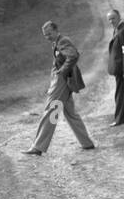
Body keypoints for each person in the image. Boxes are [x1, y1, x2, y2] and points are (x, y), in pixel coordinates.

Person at [24, 20, 95, 156]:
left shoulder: (63, 41)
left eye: (49, 34)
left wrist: (62, 71)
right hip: (63, 81)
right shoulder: (56, 42)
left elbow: (73, 55)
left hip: (62, 81)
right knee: (70, 113)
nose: (47, 37)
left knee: (52, 111)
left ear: (56, 30)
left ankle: (38, 147)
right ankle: (86, 143)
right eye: (45, 35)